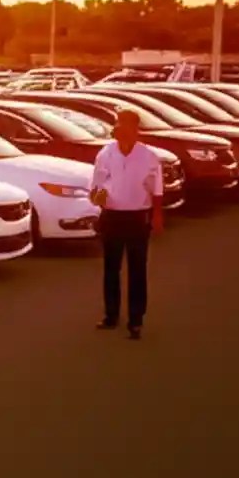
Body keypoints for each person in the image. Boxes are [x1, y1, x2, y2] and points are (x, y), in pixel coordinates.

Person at [89, 108, 164, 340]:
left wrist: (158, 214)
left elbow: (157, 187)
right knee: (111, 268)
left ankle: (136, 320)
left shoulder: (148, 156)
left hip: (138, 216)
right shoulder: (106, 153)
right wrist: (98, 199)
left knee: (137, 269)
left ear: (136, 129)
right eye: (119, 124)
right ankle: (111, 315)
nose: (121, 129)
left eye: (127, 125)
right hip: (112, 216)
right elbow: (97, 184)